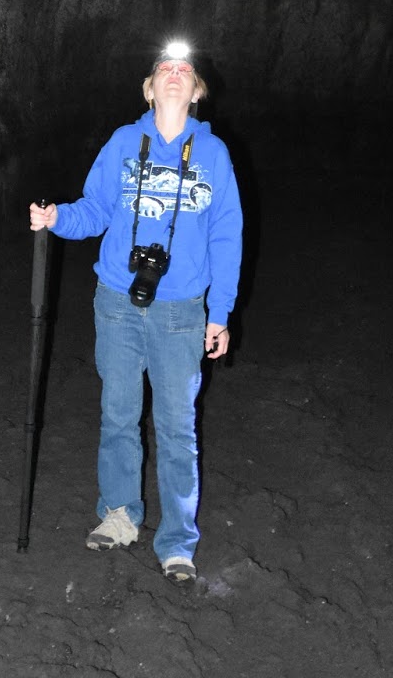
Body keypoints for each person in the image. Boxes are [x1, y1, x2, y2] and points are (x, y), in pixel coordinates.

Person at [29, 44, 242, 584]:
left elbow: (227, 235)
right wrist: (57, 218)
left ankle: (177, 541)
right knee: (119, 414)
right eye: (163, 68)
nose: (174, 74)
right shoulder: (124, 142)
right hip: (117, 303)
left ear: (196, 91)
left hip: (181, 311)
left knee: (176, 428)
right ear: (149, 89)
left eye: (185, 70)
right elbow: (96, 209)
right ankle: (120, 514)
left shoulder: (213, 153)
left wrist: (220, 312)